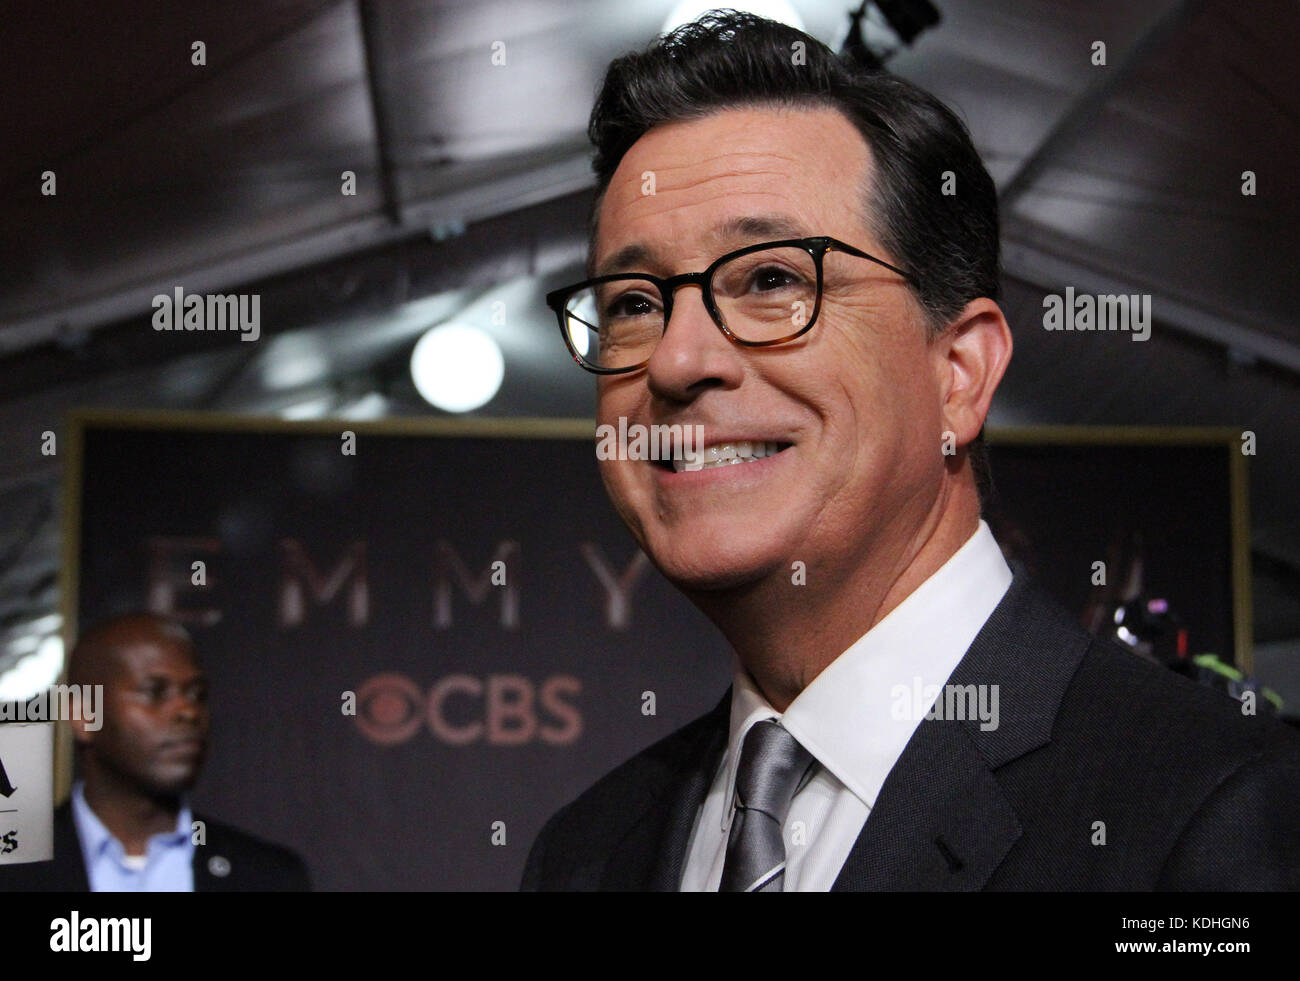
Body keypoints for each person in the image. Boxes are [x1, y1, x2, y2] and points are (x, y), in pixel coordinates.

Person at [522, 12, 1300, 891]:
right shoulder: (585, 854)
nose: (677, 358)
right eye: (632, 301)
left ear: (959, 372)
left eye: (772, 279)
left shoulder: (1211, 811)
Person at [0, 612, 310, 891]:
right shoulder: (11, 870)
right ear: (84, 715)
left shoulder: (268, 878)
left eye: (197, 694)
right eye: (154, 692)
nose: (188, 711)